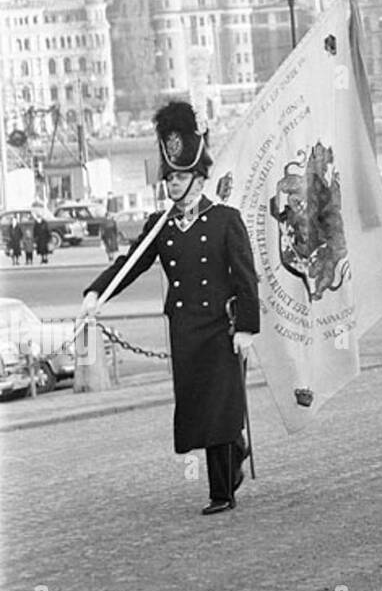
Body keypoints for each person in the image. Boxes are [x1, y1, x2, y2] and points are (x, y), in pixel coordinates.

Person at [80, 101, 258, 516]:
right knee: (200, 409)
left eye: (180, 177)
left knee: (219, 408)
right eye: (169, 177)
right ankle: (235, 450)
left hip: (219, 329)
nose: (172, 185)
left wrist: (246, 326)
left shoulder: (225, 220)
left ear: (198, 177)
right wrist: (97, 294)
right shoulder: (160, 226)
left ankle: (220, 492)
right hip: (184, 332)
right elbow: (130, 263)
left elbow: (245, 279)